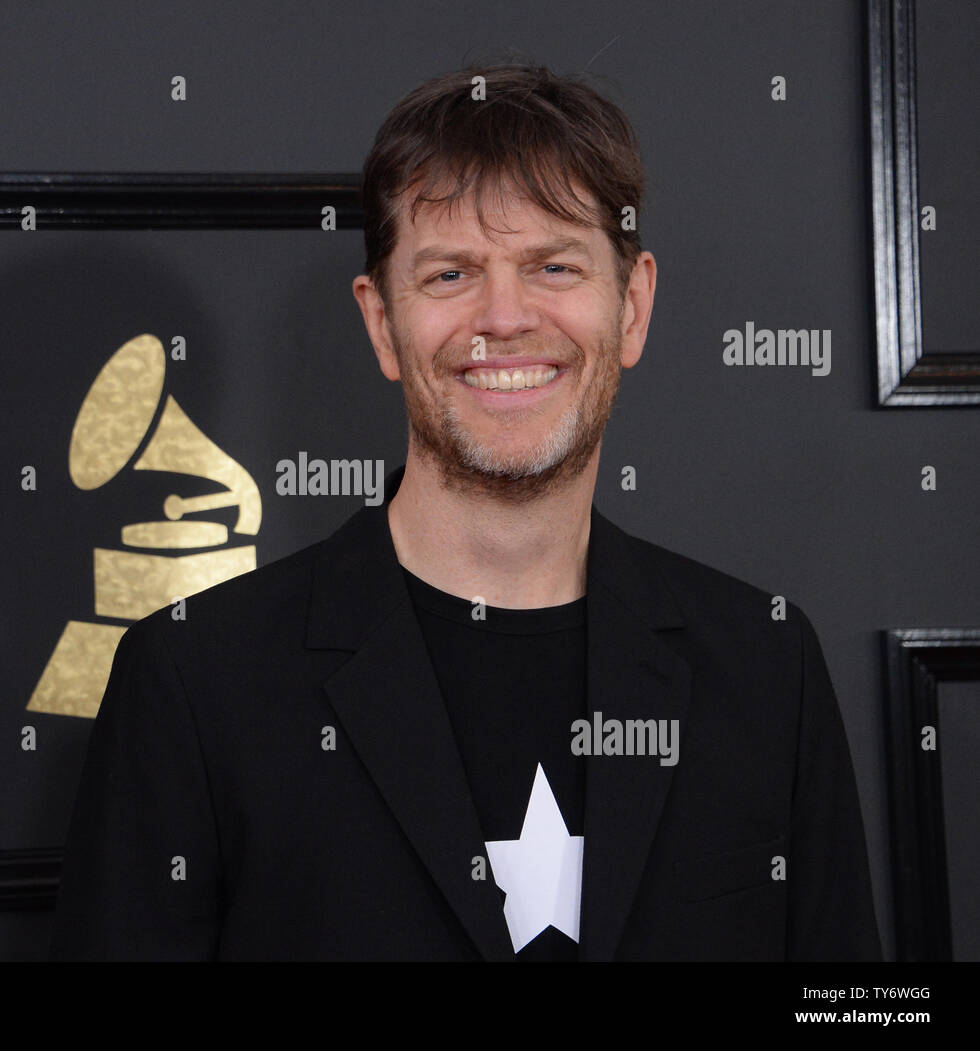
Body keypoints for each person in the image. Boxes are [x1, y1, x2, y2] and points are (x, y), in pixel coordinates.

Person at [50, 62, 882, 961]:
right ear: (381, 324)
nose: (504, 318)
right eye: (451, 274)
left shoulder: (768, 664)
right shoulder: (189, 681)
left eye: (554, 265)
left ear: (632, 306)